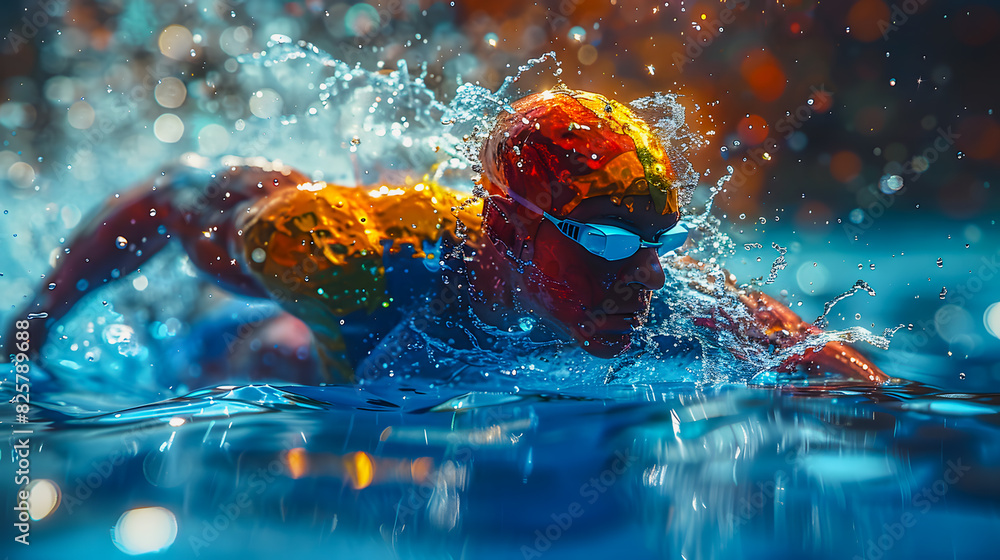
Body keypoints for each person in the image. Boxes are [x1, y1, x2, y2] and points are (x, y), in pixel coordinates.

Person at [2, 86, 887, 385]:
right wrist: (31, 328)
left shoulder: (639, 280)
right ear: (506, 223)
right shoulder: (335, 249)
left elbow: (805, 357)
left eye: (662, 240)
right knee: (274, 353)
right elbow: (173, 193)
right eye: (614, 243)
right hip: (252, 352)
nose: (649, 277)